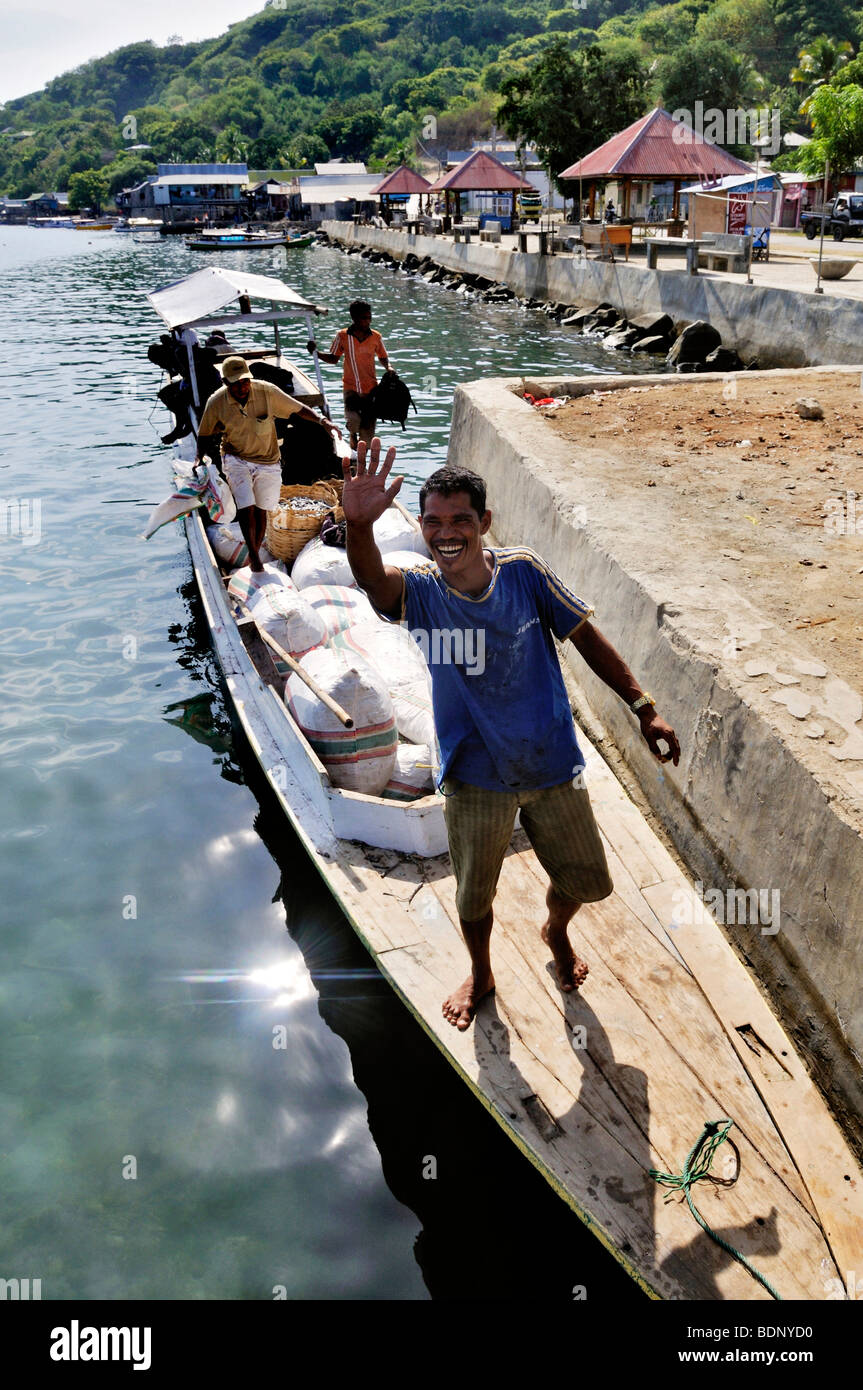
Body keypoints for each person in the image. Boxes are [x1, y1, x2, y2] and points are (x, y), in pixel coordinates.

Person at [343, 446, 681, 1031]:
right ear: (421, 527)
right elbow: (374, 578)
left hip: (552, 762)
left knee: (587, 883)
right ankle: (482, 971)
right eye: (433, 523)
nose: (446, 535)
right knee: (474, 898)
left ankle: (555, 929)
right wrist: (358, 525)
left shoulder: (524, 571)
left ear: (485, 524)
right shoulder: (421, 592)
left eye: (460, 521)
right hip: (476, 774)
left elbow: (584, 635)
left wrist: (643, 706)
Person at [196, 354, 341, 573]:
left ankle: (254, 547)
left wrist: (323, 421)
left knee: (262, 507)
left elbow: (298, 408)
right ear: (226, 383)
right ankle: (255, 557)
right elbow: (204, 433)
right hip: (235, 457)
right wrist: (199, 459)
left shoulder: (266, 391)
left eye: (245, 381)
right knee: (246, 505)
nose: (243, 387)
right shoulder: (216, 402)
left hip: (268, 459)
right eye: (236, 384)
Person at [306, 300, 391, 449]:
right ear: (354, 318)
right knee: (353, 422)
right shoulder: (342, 336)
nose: (367, 321)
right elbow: (333, 358)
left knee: (367, 432)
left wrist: (388, 367)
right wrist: (316, 353)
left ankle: (361, 460)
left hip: (371, 389)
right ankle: (352, 435)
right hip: (350, 387)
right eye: (364, 318)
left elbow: (383, 356)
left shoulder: (376, 337)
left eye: (369, 317)